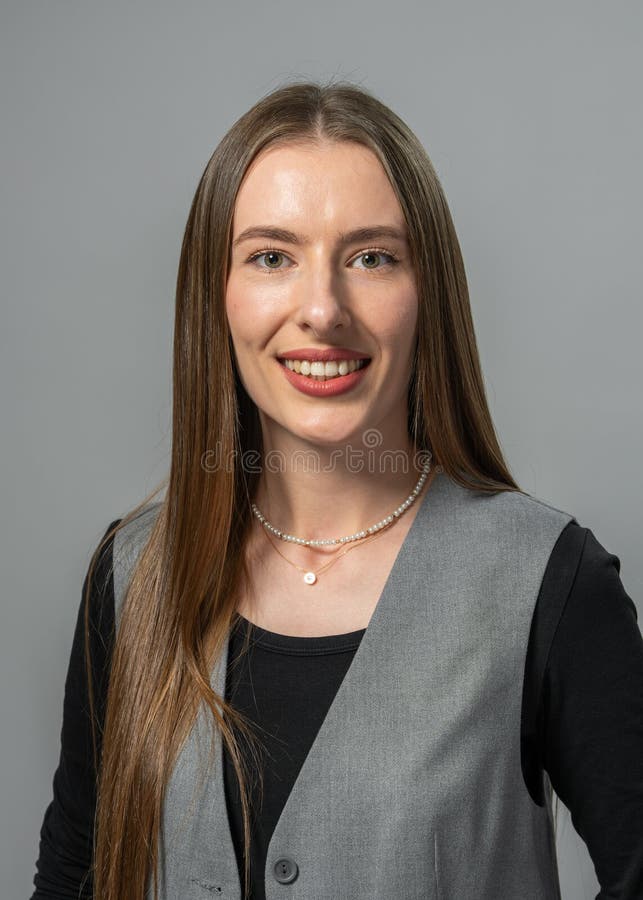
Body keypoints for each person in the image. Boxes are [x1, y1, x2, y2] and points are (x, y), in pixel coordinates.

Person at [31, 80, 643, 900]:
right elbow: (74, 875)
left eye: (370, 257)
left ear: (428, 295)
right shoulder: (130, 576)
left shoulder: (547, 581)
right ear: (215, 294)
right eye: (271, 257)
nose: (322, 308)